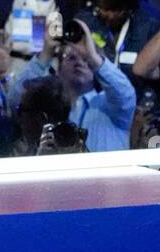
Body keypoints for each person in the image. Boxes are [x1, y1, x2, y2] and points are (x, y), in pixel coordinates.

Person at [8, 17, 137, 152]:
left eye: (84, 58)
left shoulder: (111, 107)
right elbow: (15, 101)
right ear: (58, 68)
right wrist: (46, 54)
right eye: (71, 58)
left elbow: (126, 94)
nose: (79, 62)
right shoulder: (47, 105)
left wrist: (93, 57)